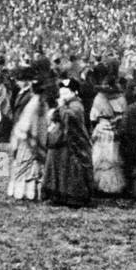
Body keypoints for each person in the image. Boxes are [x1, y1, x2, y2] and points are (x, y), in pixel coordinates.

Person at [41, 79, 94, 208]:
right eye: (61, 93)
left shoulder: (76, 105)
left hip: (72, 143)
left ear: (74, 93)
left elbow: (72, 118)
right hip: (61, 140)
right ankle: (57, 193)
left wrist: (61, 109)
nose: (63, 96)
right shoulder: (65, 104)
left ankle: (73, 196)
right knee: (57, 165)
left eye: (66, 93)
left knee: (71, 168)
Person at [7, 75, 47, 202]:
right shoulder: (40, 103)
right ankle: (32, 192)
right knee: (32, 166)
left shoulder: (34, 103)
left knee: (24, 164)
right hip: (33, 138)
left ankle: (23, 192)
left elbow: (26, 123)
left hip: (27, 137)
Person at [89, 78, 126, 196]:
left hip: (102, 129)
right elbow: (124, 114)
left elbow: (93, 117)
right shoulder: (121, 98)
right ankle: (113, 186)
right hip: (114, 130)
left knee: (100, 157)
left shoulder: (99, 99)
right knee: (113, 157)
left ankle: (100, 185)